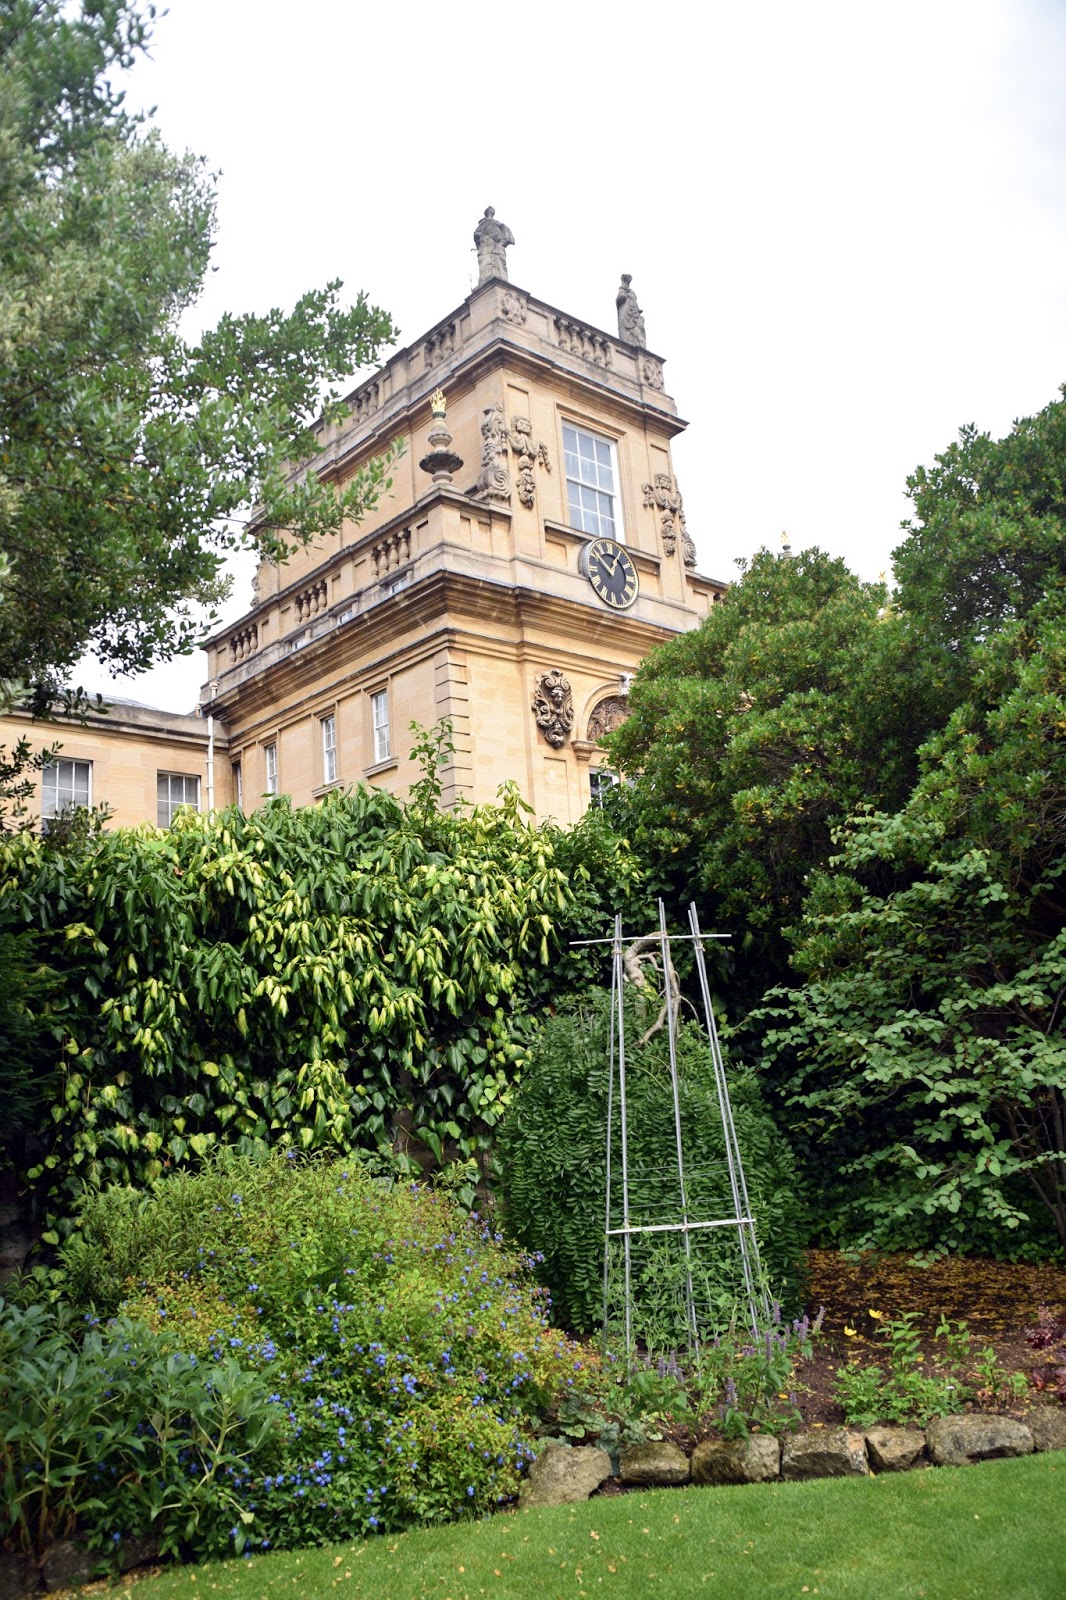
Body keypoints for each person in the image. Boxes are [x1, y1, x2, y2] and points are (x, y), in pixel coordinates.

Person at [474, 207, 515, 283]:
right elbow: (476, 236)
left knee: (498, 263)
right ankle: (488, 279)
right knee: (487, 263)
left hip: (495, 247)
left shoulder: (497, 224)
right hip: (486, 249)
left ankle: (499, 277)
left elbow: (506, 238)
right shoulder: (484, 224)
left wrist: (501, 241)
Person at [615, 273, 647, 347]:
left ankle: (640, 345)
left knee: (639, 328)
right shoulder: (622, 289)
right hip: (626, 312)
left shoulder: (632, 292)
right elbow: (620, 299)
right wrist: (623, 296)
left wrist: (637, 310)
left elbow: (635, 302)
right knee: (627, 329)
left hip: (634, 313)